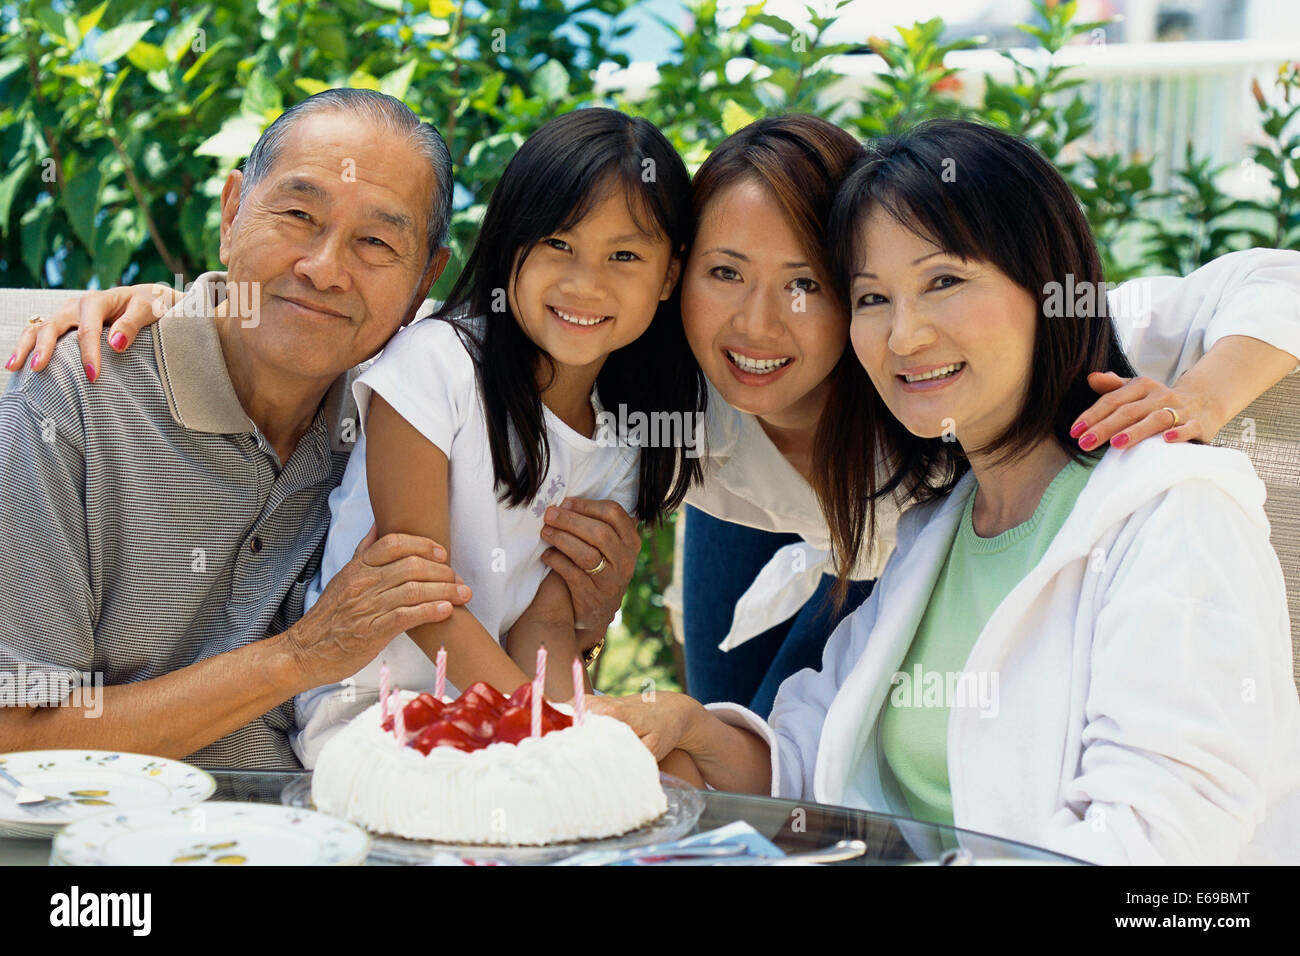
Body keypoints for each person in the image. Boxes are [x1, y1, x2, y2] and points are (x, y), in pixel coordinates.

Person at [24, 115, 1300, 725]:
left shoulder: (943, 334)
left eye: (809, 281)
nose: (759, 324)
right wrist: (187, 301)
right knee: (746, 738)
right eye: (721, 275)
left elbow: (1273, 276)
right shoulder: (669, 394)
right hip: (791, 565)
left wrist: (1200, 396)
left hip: (904, 579)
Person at [588, 120, 1300, 865]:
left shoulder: (1171, 513)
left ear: (1051, 288)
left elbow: (1158, 847)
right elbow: (810, 758)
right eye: (872, 297)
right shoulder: (936, 530)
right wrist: (687, 728)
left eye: (945, 283)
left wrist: (1202, 399)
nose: (904, 337)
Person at [0, 89, 475, 768]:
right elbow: (11, 740)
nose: (323, 268)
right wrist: (301, 655)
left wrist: (584, 611)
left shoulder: (414, 422)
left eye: (376, 241)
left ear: (426, 276)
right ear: (231, 213)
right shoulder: (69, 396)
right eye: (298, 213)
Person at [288, 107, 705, 766]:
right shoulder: (436, 367)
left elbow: (546, 618)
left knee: (663, 781)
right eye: (558, 245)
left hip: (499, 717)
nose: (584, 282)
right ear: (512, 244)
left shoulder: (624, 434)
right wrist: (553, 732)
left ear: (668, 277)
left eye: (624, 255)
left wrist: (572, 717)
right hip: (373, 712)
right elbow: (417, 597)